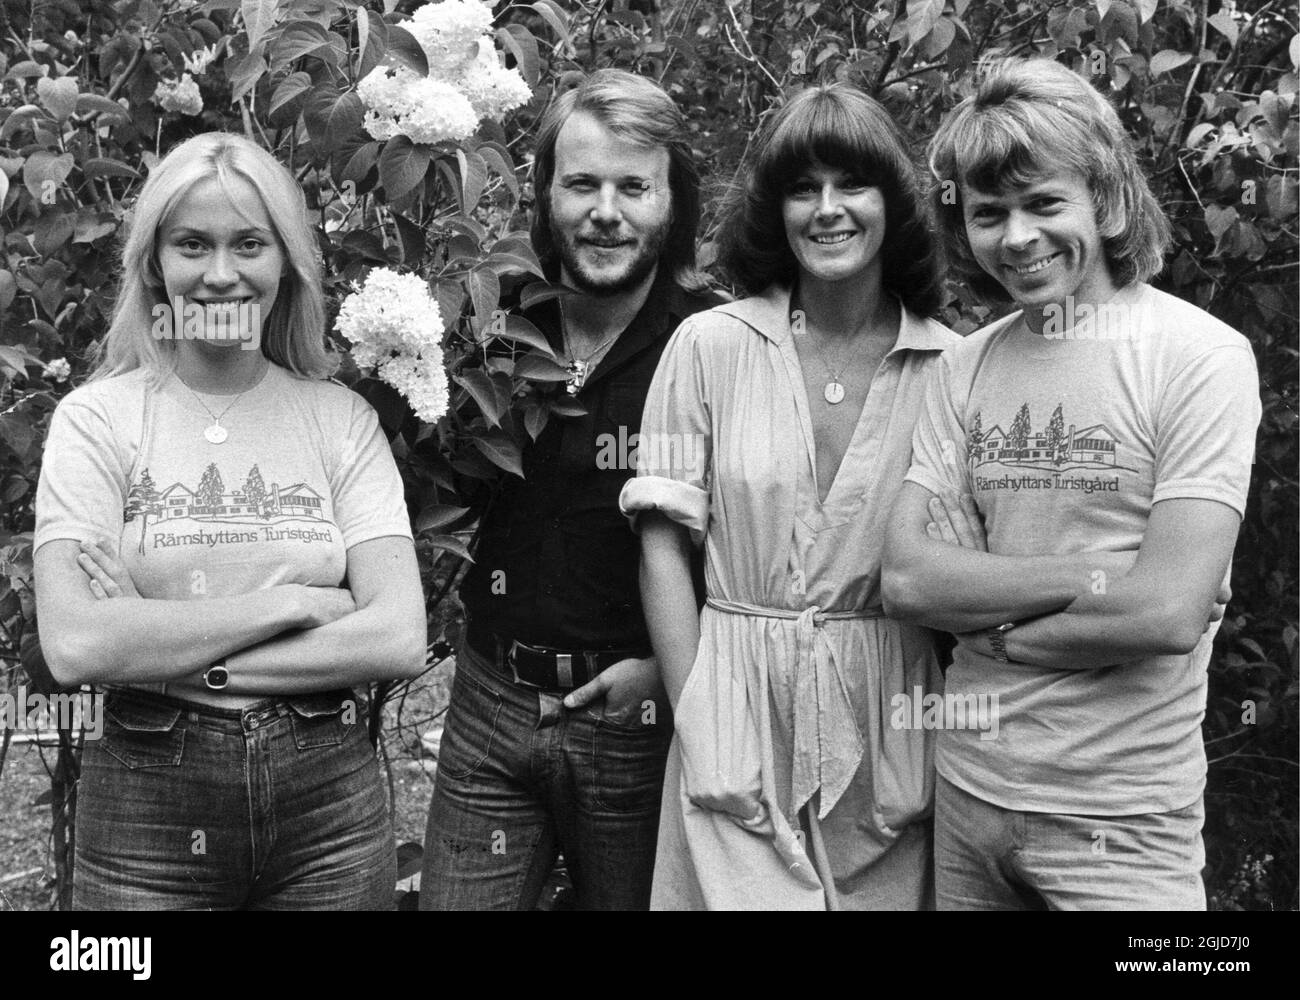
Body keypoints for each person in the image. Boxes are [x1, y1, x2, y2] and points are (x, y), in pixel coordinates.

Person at [882, 58, 1261, 910]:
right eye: (988, 214)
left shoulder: (1200, 359)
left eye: (1045, 204)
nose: (1017, 237)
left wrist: (994, 624)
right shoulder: (964, 367)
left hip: (1124, 822)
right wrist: (1101, 578)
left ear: (1109, 198)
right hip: (971, 795)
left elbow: (1164, 615)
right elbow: (909, 579)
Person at [34, 132, 427, 910]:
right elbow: (76, 644)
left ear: (285, 261)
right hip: (145, 797)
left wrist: (156, 637)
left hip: (330, 802)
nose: (221, 274)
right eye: (192, 245)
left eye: (249, 243)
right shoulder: (96, 420)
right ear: (155, 264)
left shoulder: (339, 419)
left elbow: (397, 636)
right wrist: (290, 605)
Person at [624, 82, 958, 910]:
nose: (827, 209)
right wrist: (700, 713)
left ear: (895, 203)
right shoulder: (707, 346)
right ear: (776, 209)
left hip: (891, 717)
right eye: (803, 188)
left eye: (853, 185)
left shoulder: (957, 365)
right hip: (734, 699)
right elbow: (662, 546)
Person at [419, 69, 721, 910]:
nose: (606, 212)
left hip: (638, 721)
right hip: (491, 701)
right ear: (547, 191)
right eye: (581, 183)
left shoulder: (712, 340)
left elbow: (762, 545)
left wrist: (667, 670)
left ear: (673, 201)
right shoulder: (490, 325)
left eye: (635, 187)